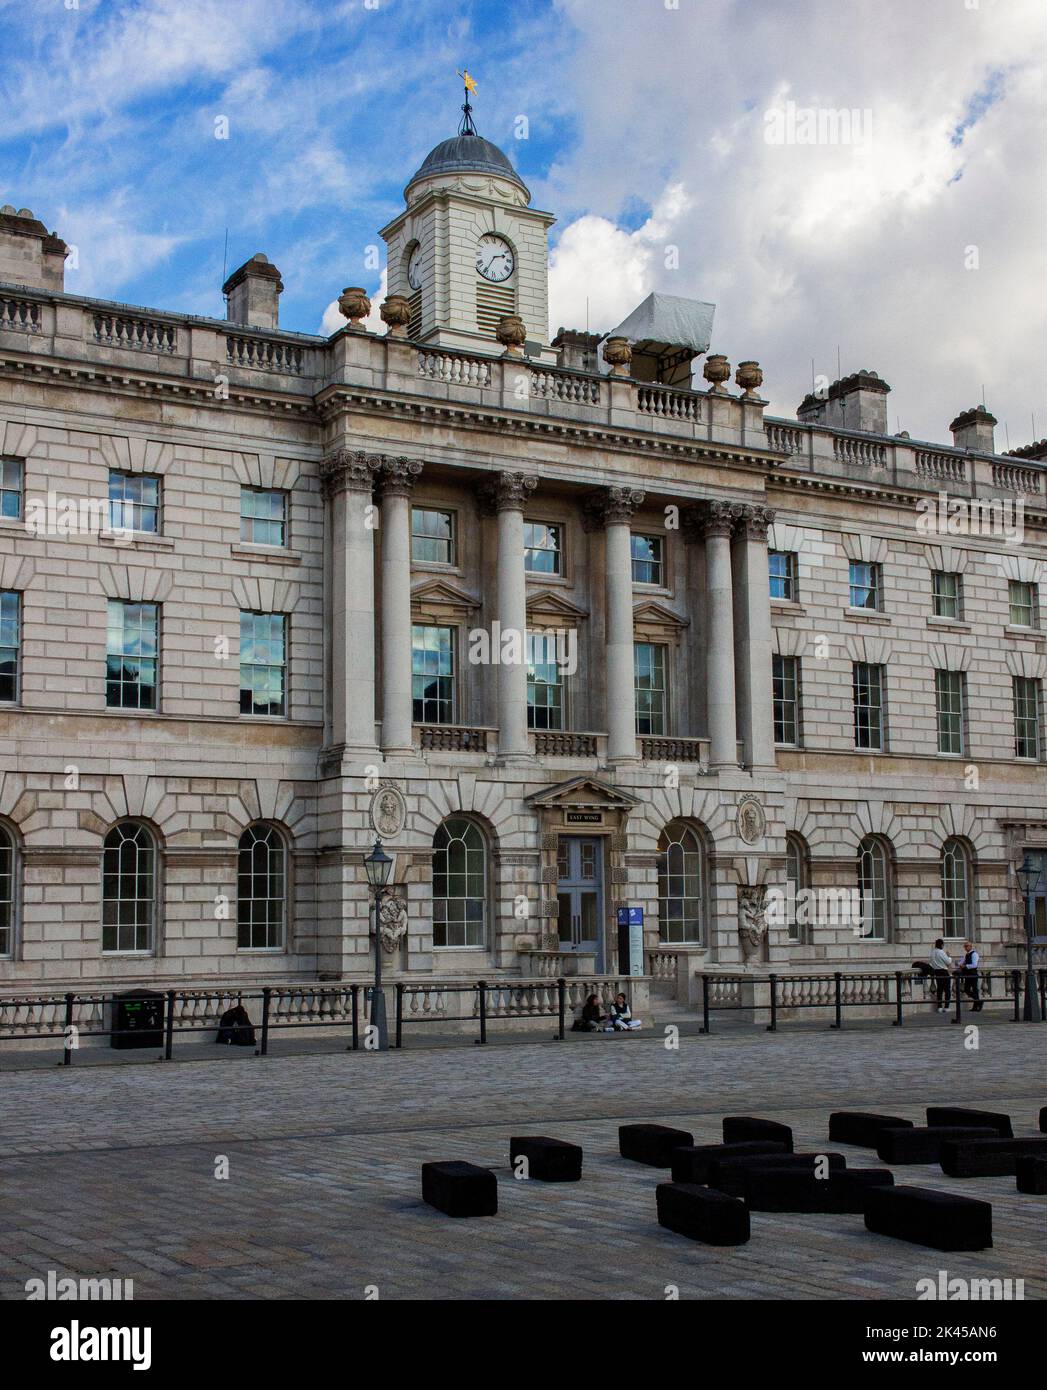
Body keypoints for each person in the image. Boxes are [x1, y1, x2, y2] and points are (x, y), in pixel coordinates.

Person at [929, 939, 954, 1012]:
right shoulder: (941, 952)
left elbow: (931, 963)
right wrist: (949, 956)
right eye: (943, 945)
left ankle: (939, 1007)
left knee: (939, 990)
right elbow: (948, 962)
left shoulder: (932, 952)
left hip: (936, 972)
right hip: (943, 971)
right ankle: (946, 1007)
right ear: (941, 945)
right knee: (947, 990)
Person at [959, 940, 982, 1011]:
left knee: (975, 990)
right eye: (964, 946)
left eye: (966, 946)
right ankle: (978, 1002)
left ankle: (976, 1006)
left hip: (973, 974)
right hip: (968, 975)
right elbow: (961, 962)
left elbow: (974, 965)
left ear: (970, 947)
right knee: (967, 990)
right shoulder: (966, 955)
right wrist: (960, 964)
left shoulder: (974, 954)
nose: (965, 948)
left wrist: (965, 966)